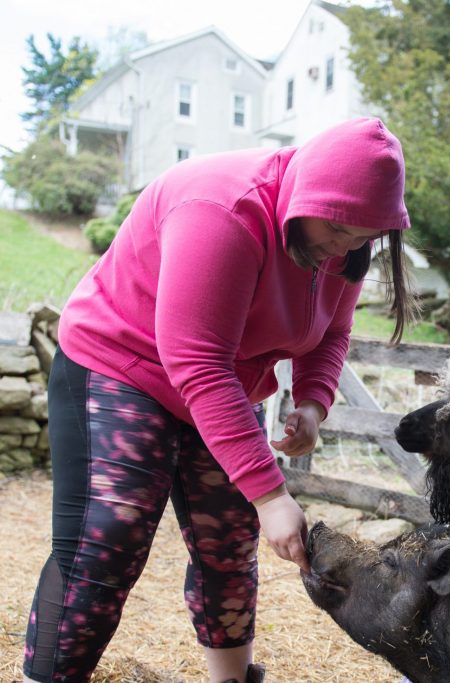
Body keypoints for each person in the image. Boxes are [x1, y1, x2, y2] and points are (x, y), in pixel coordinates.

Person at [22, 117, 416, 683]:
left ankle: (232, 679)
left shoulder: (343, 240)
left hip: (222, 383)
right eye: (336, 228)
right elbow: (197, 360)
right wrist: (271, 494)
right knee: (109, 537)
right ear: (307, 195)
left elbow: (332, 330)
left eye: (364, 236)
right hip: (124, 363)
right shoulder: (223, 209)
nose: (346, 246)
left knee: (229, 541)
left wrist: (312, 401)